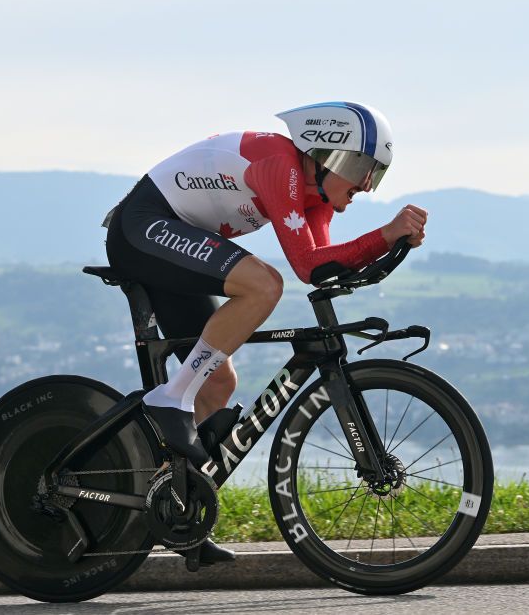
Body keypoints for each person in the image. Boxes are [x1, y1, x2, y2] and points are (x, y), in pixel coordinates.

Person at [103, 101, 427, 564]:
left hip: (171, 233)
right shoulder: (281, 166)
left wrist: (390, 243)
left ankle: (175, 512)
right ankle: (169, 398)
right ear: (326, 155)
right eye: (361, 169)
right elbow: (306, 265)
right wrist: (385, 233)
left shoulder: (315, 196)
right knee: (263, 284)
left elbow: (323, 268)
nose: (366, 186)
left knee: (218, 383)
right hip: (143, 227)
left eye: (377, 174)